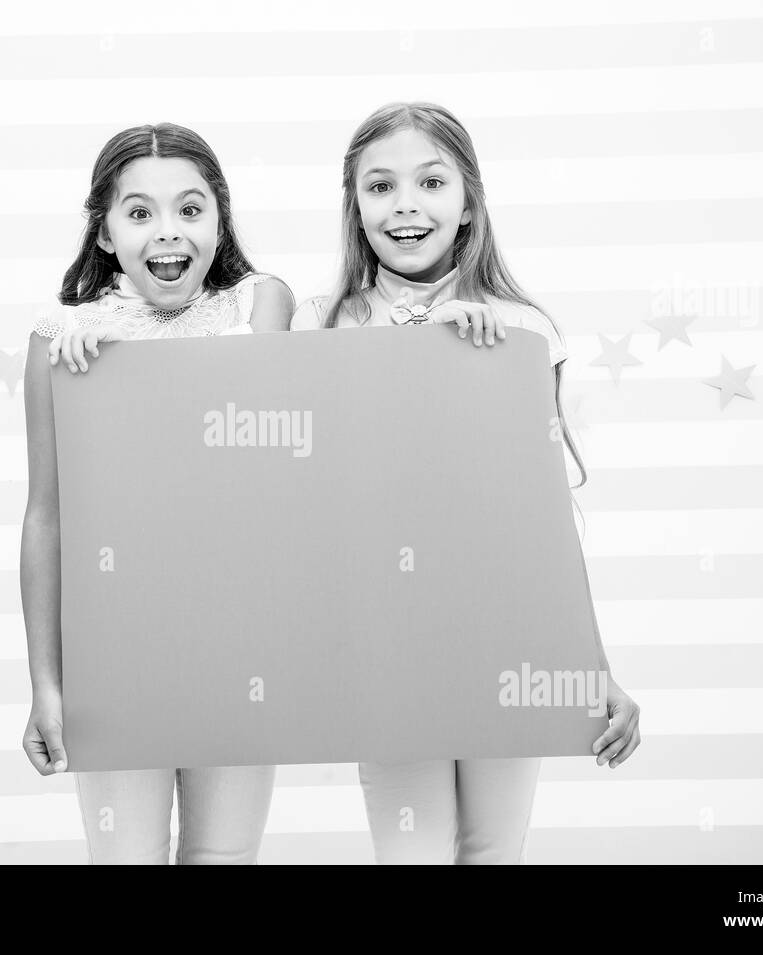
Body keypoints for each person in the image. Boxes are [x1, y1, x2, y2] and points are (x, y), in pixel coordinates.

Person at [292, 101, 641, 864]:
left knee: (493, 852)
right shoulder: (319, 326)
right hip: (381, 644)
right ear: (355, 206)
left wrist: (593, 666)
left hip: (505, 634)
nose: (407, 205)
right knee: (410, 852)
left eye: (431, 182)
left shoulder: (521, 329)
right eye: (380, 187)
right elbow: (298, 491)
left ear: (469, 199)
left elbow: (547, 520)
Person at [21, 122, 295, 864]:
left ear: (219, 219)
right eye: (139, 212)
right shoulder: (61, 339)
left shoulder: (259, 305)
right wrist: (47, 685)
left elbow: (252, 457)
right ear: (105, 233)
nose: (167, 232)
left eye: (190, 208)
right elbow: (47, 517)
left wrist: (130, 368)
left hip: (240, 651)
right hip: (113, 659)